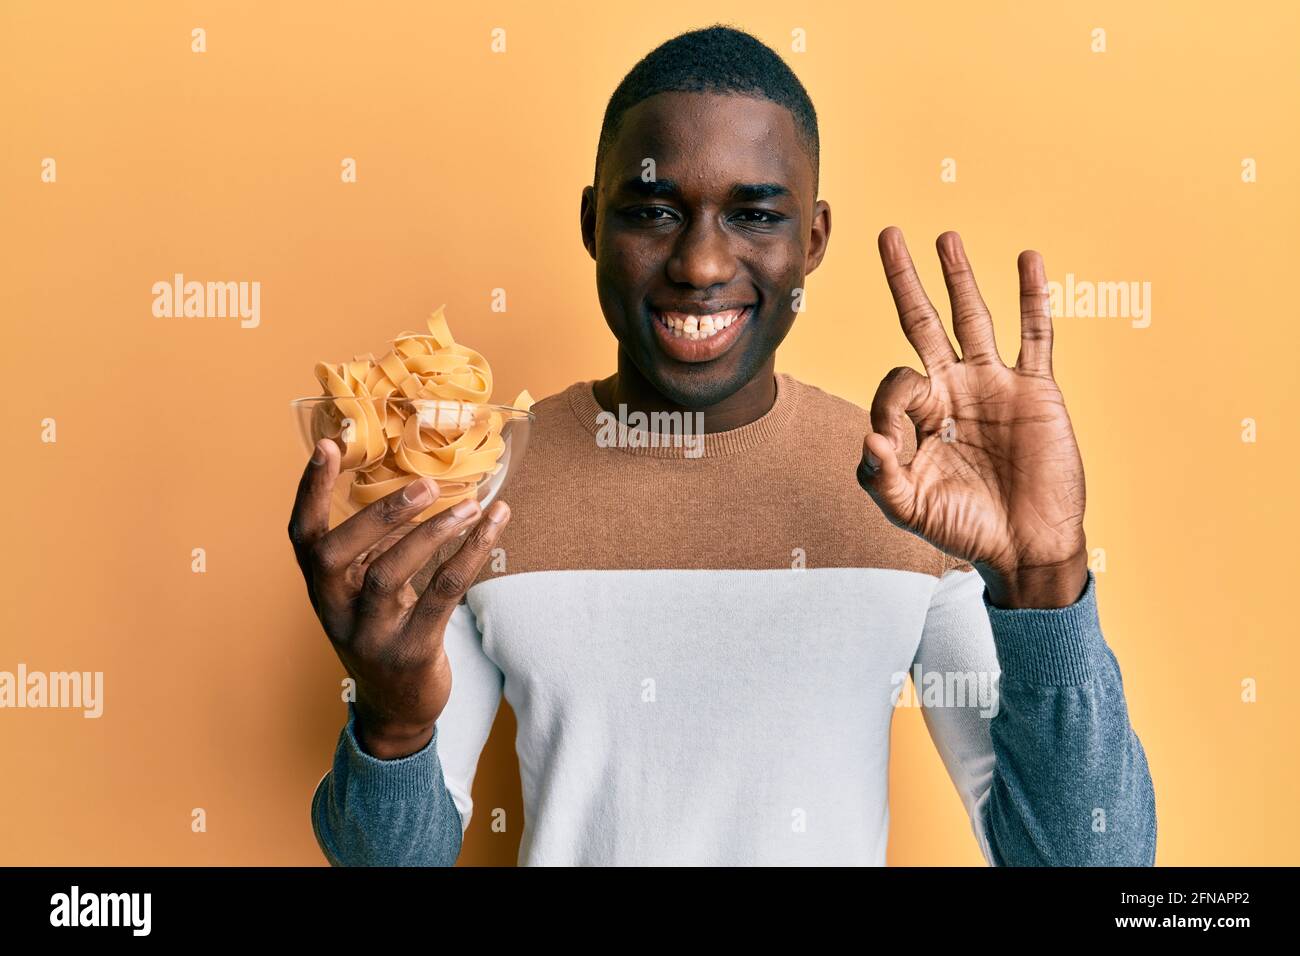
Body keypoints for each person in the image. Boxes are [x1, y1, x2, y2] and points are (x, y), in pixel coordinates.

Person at [288, 24, 1156, 866]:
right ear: (594, 225)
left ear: (812, 240)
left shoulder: (916, 486)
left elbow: (1089, 860)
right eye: (656, 211)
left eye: (754, 216)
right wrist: (392, 724)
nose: (702, 264)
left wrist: (1046, 581)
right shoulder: (486, 473)